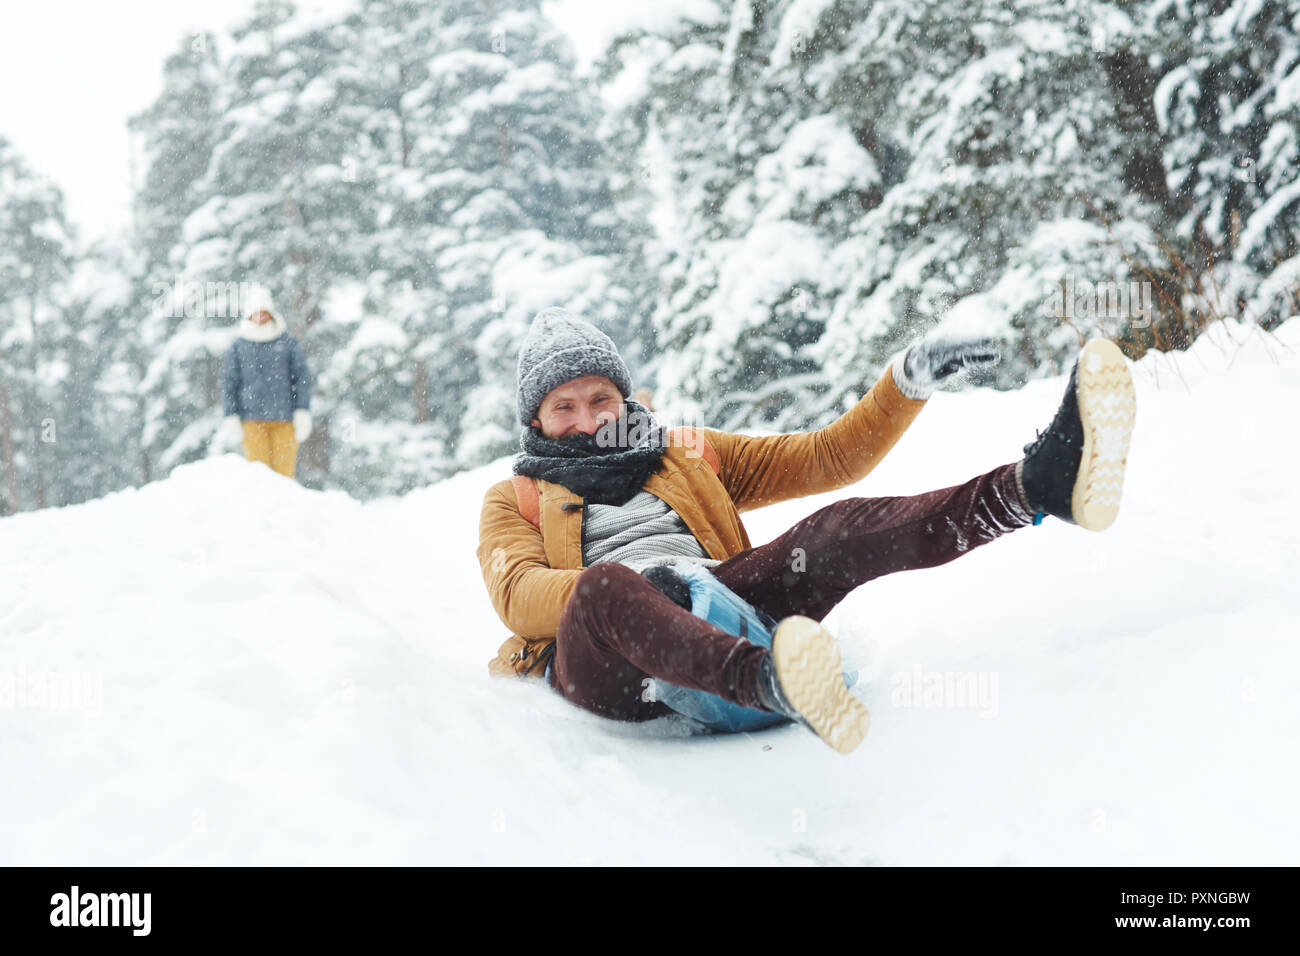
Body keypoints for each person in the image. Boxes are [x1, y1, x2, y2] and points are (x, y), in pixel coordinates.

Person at [477, 307, 1136, 754]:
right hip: (609, 665)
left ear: (625, 399)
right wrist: (646, 585)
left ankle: (1036, 487)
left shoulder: (686, 455)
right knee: (605, 588)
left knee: (827, 534)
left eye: (600, 399)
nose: (588, 419)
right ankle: (772, 680)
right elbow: (521, 595)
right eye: (564, 407)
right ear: (535, 421)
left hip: (713, 604)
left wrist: (905, 382)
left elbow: (828, 458)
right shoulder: (517, 500)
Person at [219, 286, 312, 479]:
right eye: (256, 313)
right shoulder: (238, 346)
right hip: (252, 421)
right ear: (249, 315)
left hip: (284, 420)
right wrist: (231, 414)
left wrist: (302, 410)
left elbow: (301, 378)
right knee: (258, 478)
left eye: (264, 313)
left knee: (284, 477)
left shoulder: (287, 342)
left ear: (271, 314)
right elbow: (230, 383)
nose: (260, 317)